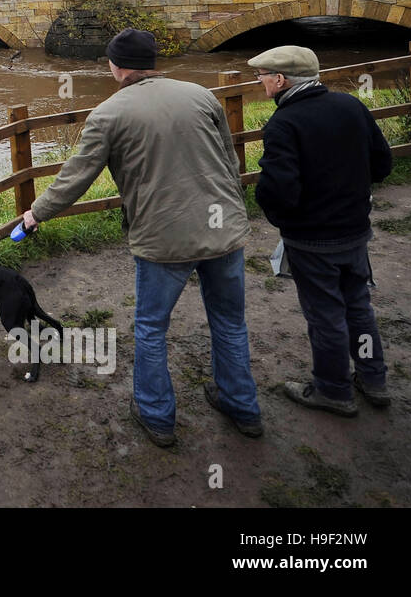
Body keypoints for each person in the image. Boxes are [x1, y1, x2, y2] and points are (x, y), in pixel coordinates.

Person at [21, 28, 262, 446]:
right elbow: (229, 158)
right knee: (229, 321)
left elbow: (77, 177)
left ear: (115, 67)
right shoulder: (201, 95)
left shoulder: (108, 114)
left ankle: (157, 417)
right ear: (153, 63)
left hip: (162, 238)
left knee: (151, 327)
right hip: (224, 229)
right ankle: (242, 406)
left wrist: (35, 213)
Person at [249, 45, 393, 416]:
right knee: (358, 306)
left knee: (325, 314)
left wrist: (283, 218)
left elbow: (279, 188)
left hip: (312, 238)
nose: (260, 81)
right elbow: (382, 162)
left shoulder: (284, 123)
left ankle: (332, 390)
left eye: (262, 75)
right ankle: (374, 379)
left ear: (279, 80)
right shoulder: (350, 106)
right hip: (355, 229)